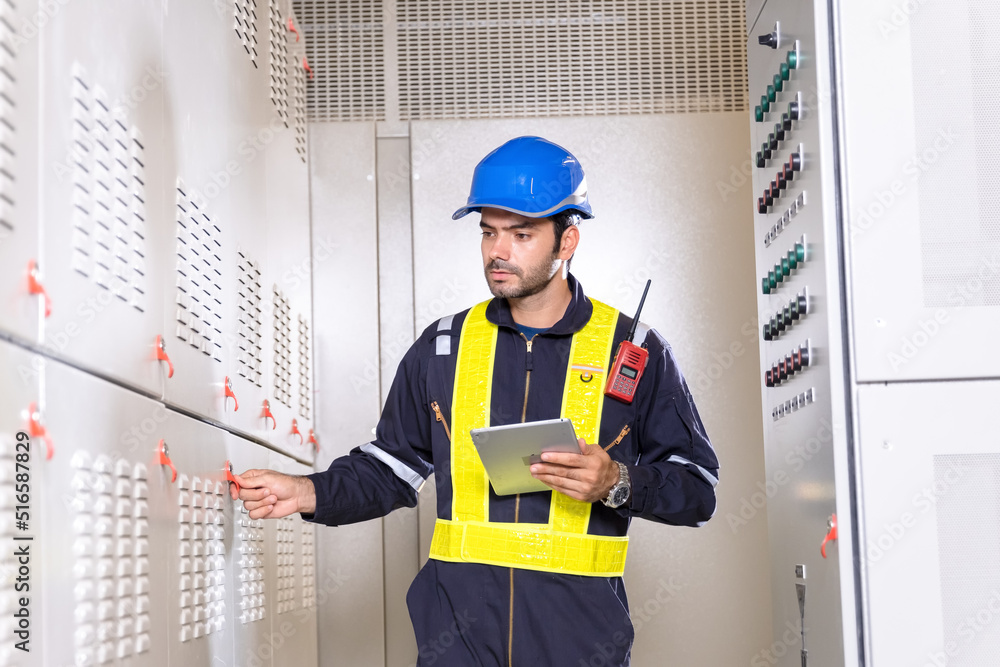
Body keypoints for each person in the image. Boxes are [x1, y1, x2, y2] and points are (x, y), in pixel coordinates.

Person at [230, 136, 719, 666]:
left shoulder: (636, 351)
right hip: (456, 641)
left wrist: (617, 483)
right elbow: (391, 467)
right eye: (488, 232)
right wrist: (306, 492)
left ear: (567, 240)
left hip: (579, 644)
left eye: (521, 234)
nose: (497, 252)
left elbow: (699, 489)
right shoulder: (442, 347)